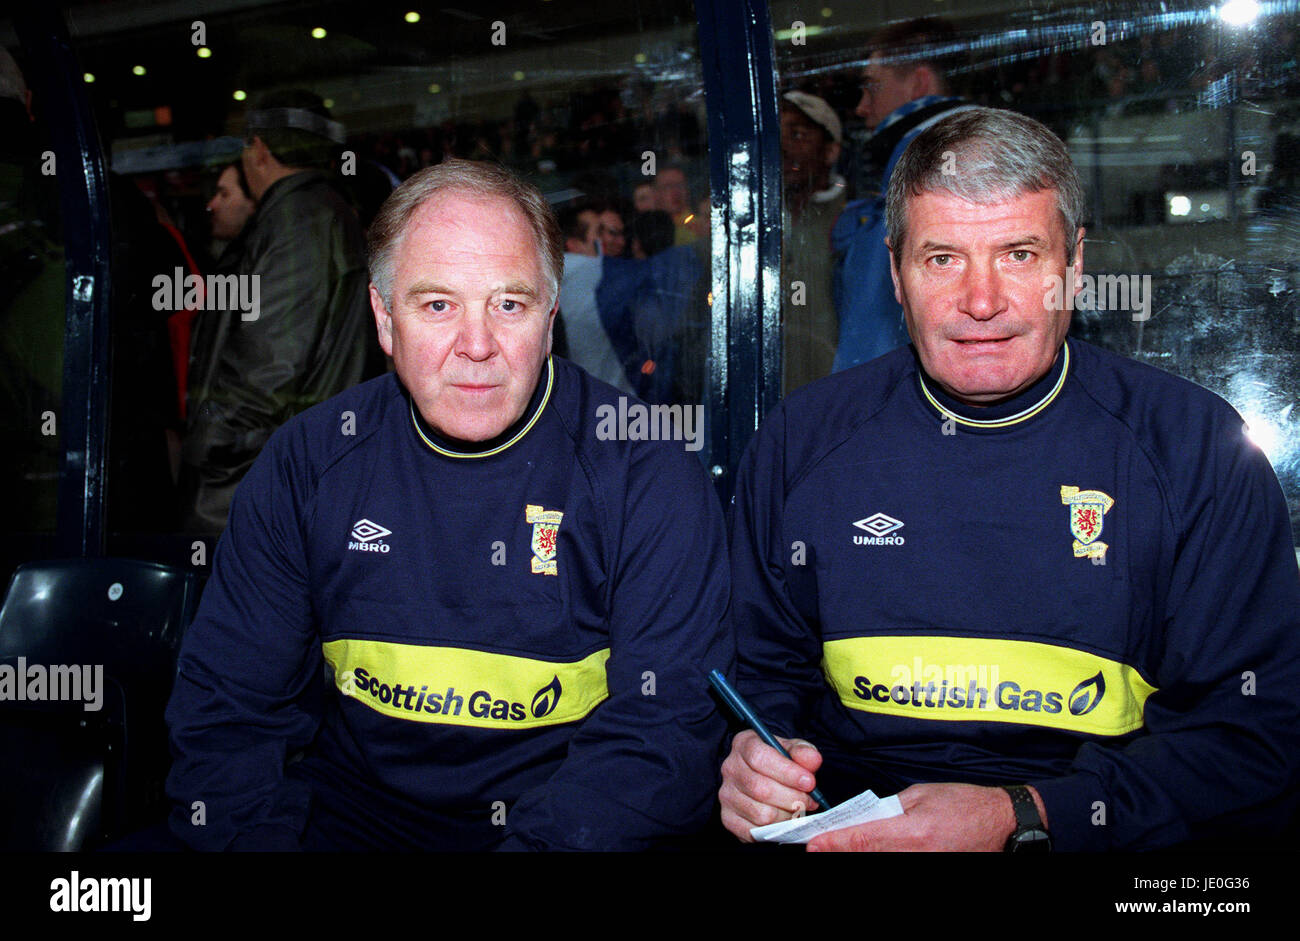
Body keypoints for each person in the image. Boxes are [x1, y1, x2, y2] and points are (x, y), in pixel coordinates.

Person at [721, 107, 1300, 851]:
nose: (982, 300)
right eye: (942, 258)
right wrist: (755, 762)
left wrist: (1021, 814)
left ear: (1074, 265)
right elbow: (760, 677)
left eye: (1019, 254)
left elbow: (1252, 742)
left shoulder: (1196, 450)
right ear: (896, 272)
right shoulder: (801, 445)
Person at [165, 159, 733, 851]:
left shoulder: (647, 474)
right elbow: (228, 709)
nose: (476, 345)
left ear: (550, 317)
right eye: (438, 304)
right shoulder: (307, 464)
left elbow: (661, 739)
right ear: (383, 318)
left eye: (510, 304)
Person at [180, 90, 379, 533]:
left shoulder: (299, 220)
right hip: (277, 474)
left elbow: (266, 370)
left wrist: (207, 453)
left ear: (259, 150)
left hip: (254, 485)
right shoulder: (309, 213)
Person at [831, 17, 974, 372]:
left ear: (919, 83)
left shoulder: (923, 158)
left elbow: (873, 327)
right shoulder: (979, 145)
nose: (862, 107)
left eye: (873, 88)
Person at [780, 91, 846, 392]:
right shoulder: (755, 223)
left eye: (798, 135)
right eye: (776, 135)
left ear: (830, 151)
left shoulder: (852, 222)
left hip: (834, 398)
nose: (783, 147)